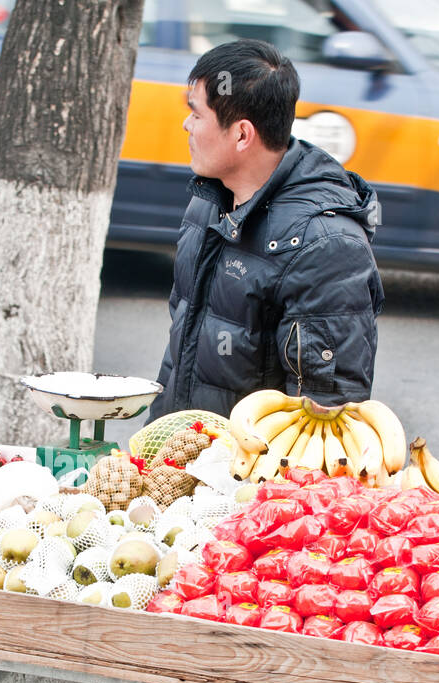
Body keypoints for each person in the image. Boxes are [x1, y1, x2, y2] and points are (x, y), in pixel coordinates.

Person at [146, 39, 384, 422]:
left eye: (197, 114)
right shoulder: (207, 202)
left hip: (252, 475)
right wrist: (155, 446)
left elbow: (324, 417)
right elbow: (180, 353)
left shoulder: (324, 245)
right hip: (185, 459)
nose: (186, 124)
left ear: (242, 135)